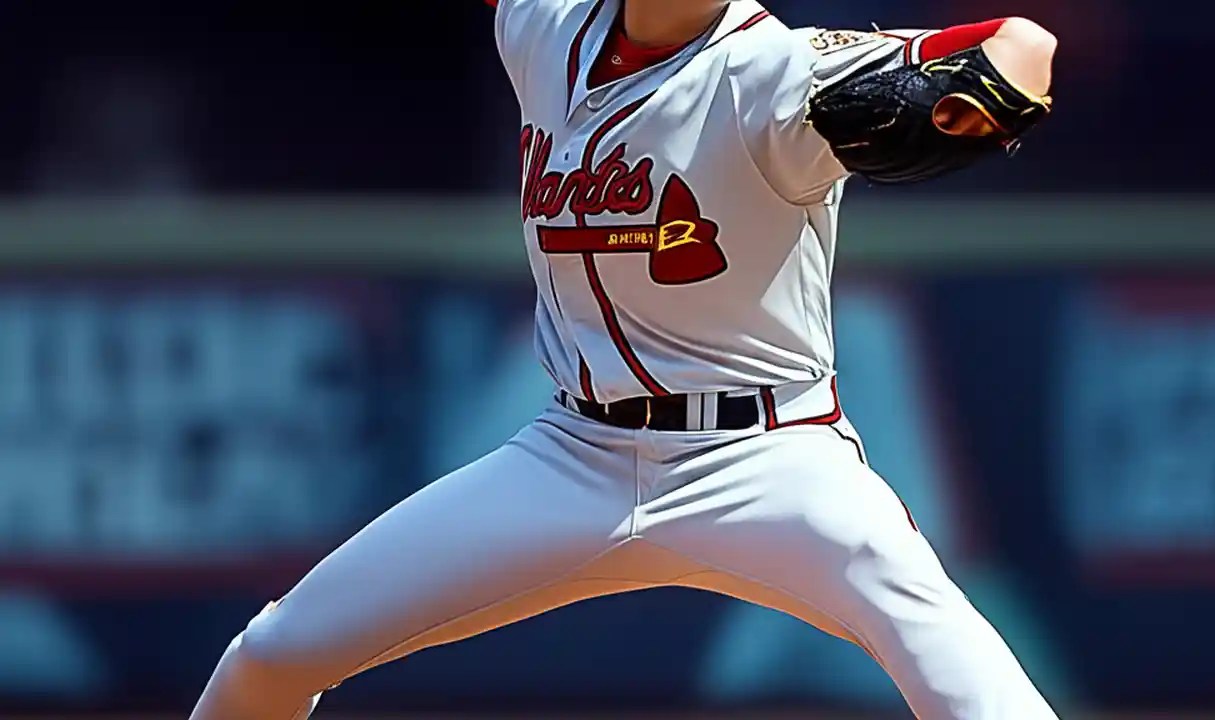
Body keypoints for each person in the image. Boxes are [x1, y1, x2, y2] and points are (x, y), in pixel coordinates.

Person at [191, 1, 1058, 717]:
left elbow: (1027, 47)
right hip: (573, 456)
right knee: (271, 656)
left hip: (770, 461)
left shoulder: (778, 74)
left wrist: (982, 93)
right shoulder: (541, 25)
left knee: (983, 697)